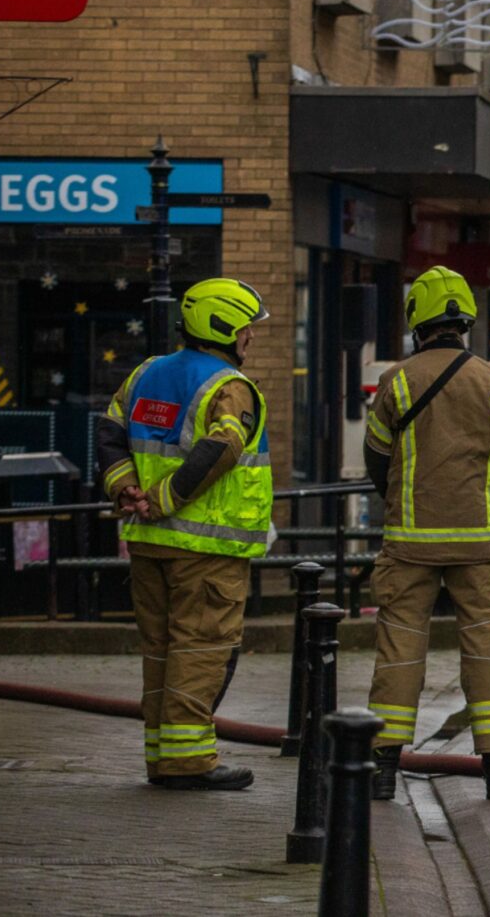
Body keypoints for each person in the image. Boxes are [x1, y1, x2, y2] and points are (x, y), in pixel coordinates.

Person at [98, 278, 274, 791]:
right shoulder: (228, 386)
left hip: (149, 543)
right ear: (225, 330)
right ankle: (188, 761)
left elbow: (109, 431)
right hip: (205, 549)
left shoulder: (146, 372)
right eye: (247, 329)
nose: (252, 339)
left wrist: (127, 489)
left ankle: (162, 753)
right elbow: (222, 449)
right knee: (201, 649)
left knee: (161, 648)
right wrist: (166, 498)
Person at [363, 267, 490, 802]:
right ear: (466, 322)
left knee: (400, 649)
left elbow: (377, 460)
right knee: (487, 646)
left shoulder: (397, 381)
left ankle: (383, 767)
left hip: (411, 539)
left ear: (418, 323)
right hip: (480, 541)